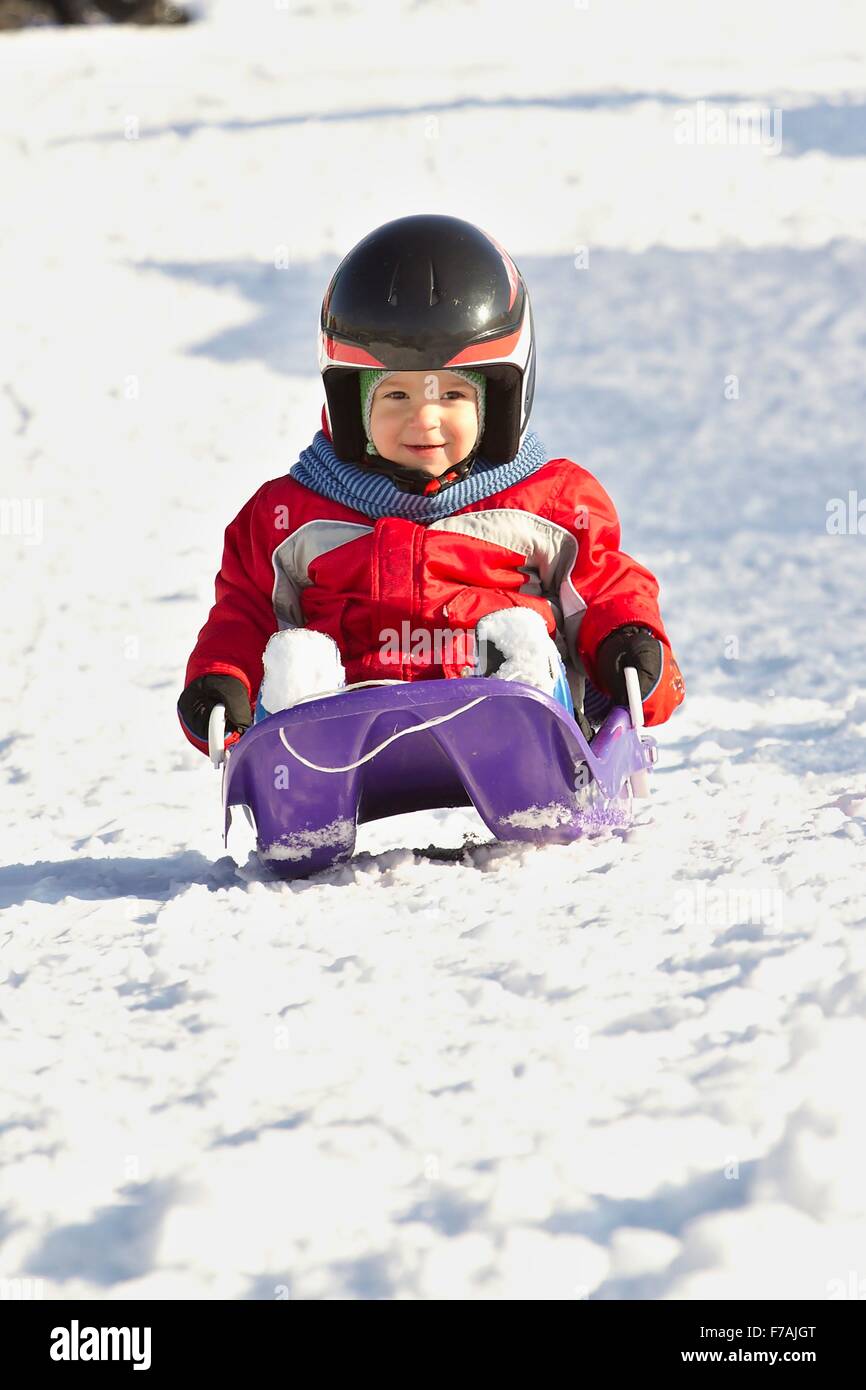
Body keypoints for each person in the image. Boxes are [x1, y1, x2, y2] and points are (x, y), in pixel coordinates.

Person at [177, 213, 685, 757]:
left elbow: (604, 586)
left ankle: (537, 744)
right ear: (350, 403)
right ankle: (300, 793)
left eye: (452, 396)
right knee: (297, 655)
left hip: (503, 715)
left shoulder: (552, 503)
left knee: (516, 638)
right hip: (345, 725)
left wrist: (626, 643)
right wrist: (222, 679)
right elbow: (246, 614)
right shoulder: (287, 516)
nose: (425, 421)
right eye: (395, 397)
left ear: (499, 399)